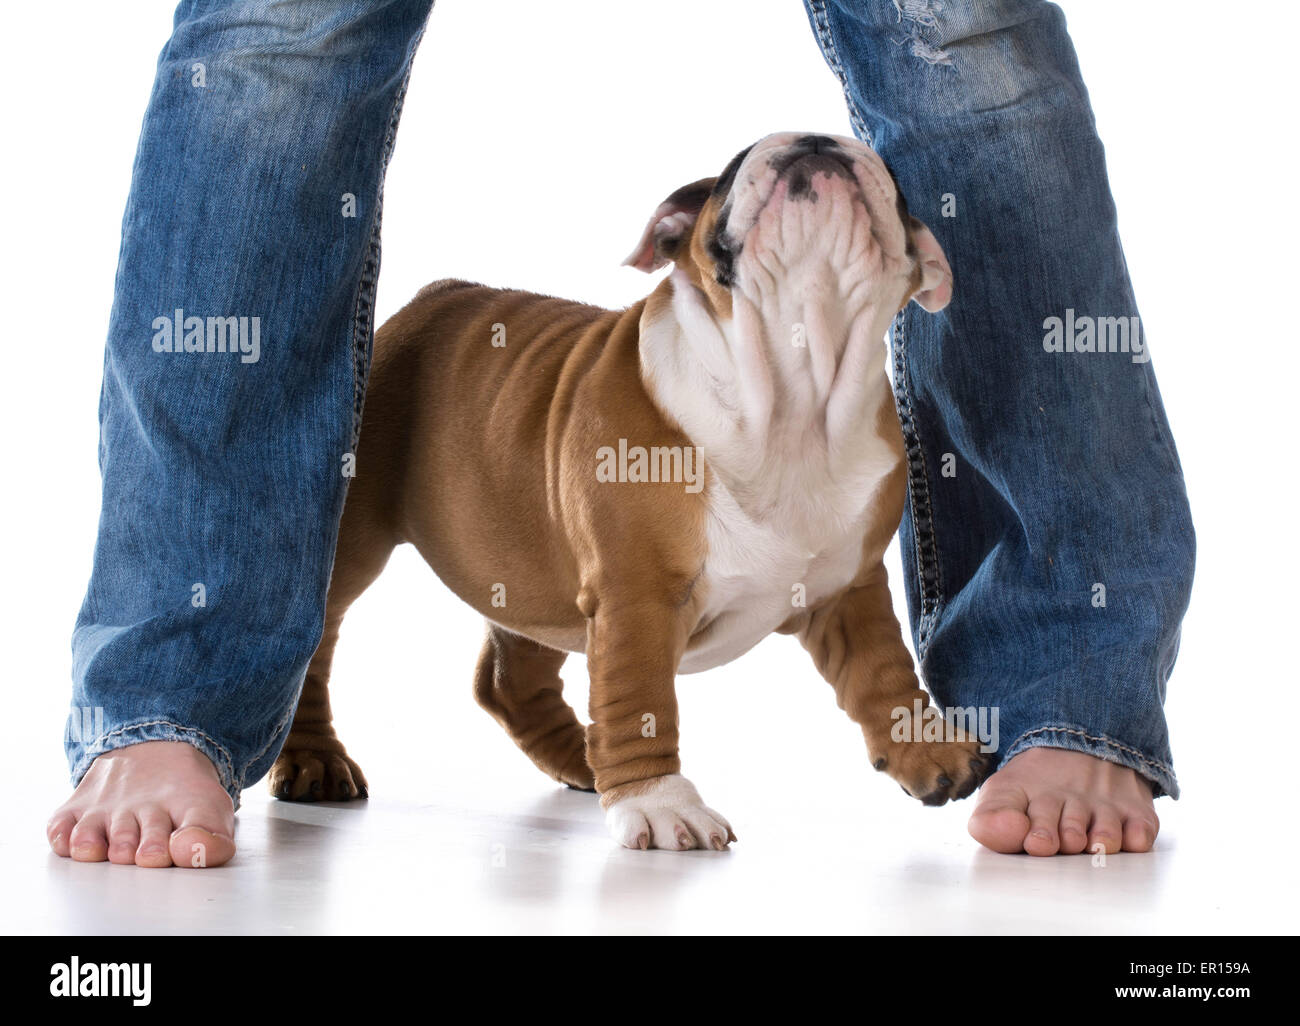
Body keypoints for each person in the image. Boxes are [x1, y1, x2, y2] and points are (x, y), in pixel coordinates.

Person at [47, 0, 1192, 868]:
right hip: (476, 422)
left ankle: (1060, 682)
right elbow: (629, 596)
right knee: (278, 30)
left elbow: (838, 599)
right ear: (681, 244)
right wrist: (637, 771)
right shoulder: (636, 413)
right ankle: (176, 691)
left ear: (924, 274)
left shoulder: (868, 453)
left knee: (964, 24)